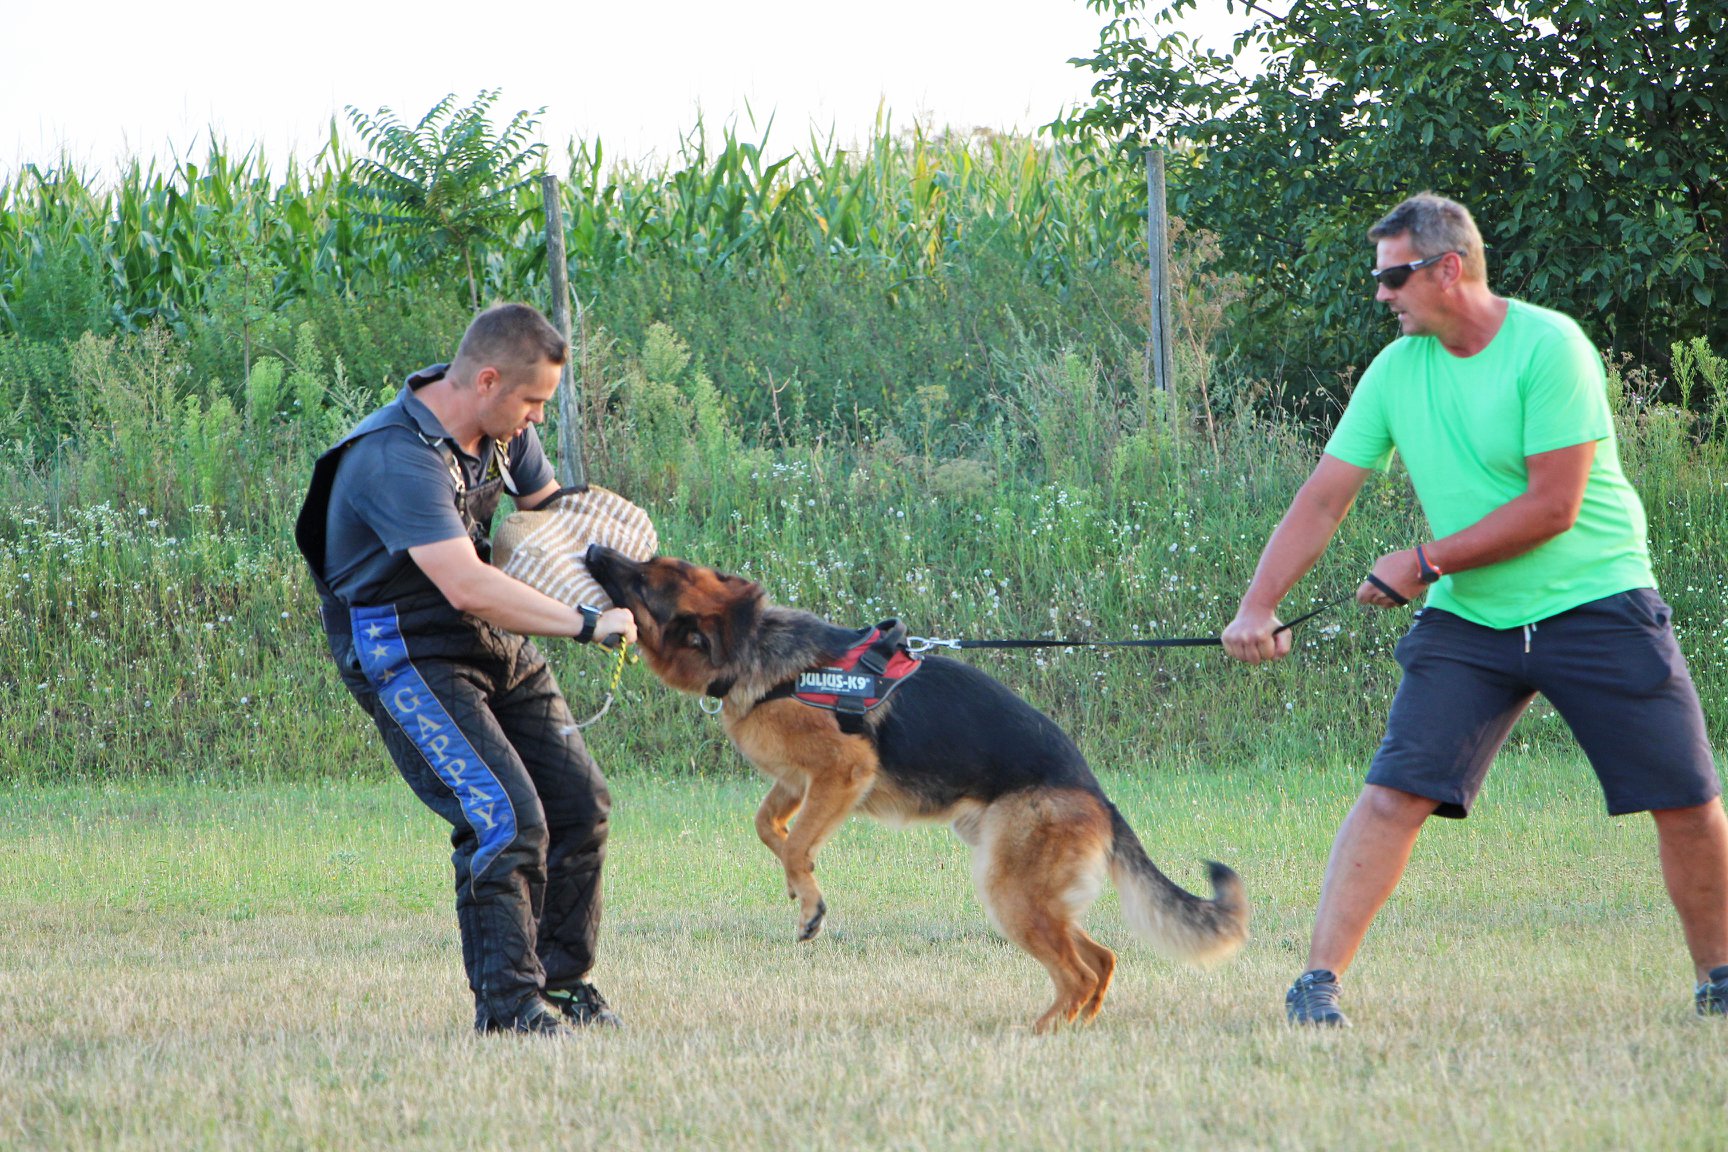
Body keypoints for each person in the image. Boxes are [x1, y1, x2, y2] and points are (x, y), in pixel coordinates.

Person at [1221, 193, 1728, 1026]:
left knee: (1685, 796)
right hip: (1472, 618)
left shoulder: (1549, 346)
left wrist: (1422, 561)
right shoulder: (1396, 372)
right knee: (1394, 792)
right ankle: (1316, 986)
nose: (1381, 294)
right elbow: (1323, 498)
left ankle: (1720, 978)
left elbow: (1552, 506)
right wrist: (1257, 604)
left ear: (1446, 269)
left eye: (1393, 276)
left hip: (1597, 597)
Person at [295, 302, 638, 1037]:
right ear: (487, 379)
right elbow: (467, 584)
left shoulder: (501, 431)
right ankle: (511, 1008)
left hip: (492, 642)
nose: (538, 420)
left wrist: (638, 580)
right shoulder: (395, 457)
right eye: (533, 402)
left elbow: (553, 521)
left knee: (581, 805)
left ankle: (564, 984)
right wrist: (585, 623)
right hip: (408, 652)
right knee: (505, 819)